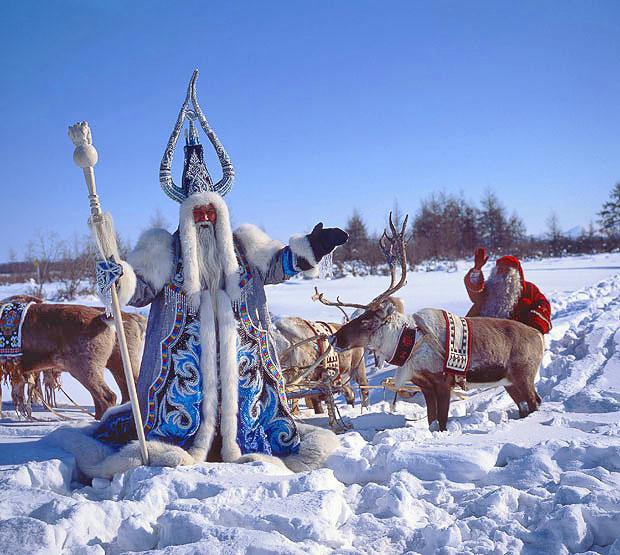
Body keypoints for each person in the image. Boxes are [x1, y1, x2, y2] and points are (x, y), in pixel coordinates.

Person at [53, 71, 346, 478]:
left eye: (211, 212)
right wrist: (118, 277)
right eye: (198, 213)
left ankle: (244, 440)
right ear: (186, 217)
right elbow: (137, 291)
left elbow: (280, 265)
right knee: (170, 424)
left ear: (221, 214)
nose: (205, 218)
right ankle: (179, 443)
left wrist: (311, 248)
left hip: (242, 363)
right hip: (179, 373)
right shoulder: (164, 249)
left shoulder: (245, 245)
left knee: (251, 413)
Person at [464, 247, 552, 335]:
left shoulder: (528, 289)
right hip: (482, 332)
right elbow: (475, 291)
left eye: (506, 270)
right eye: (499, 270)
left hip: (512, 337)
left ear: (515, 274)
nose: (502, 274)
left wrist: (533, 324)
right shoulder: (488, 287)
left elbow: (543, 304)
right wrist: (477, 269)